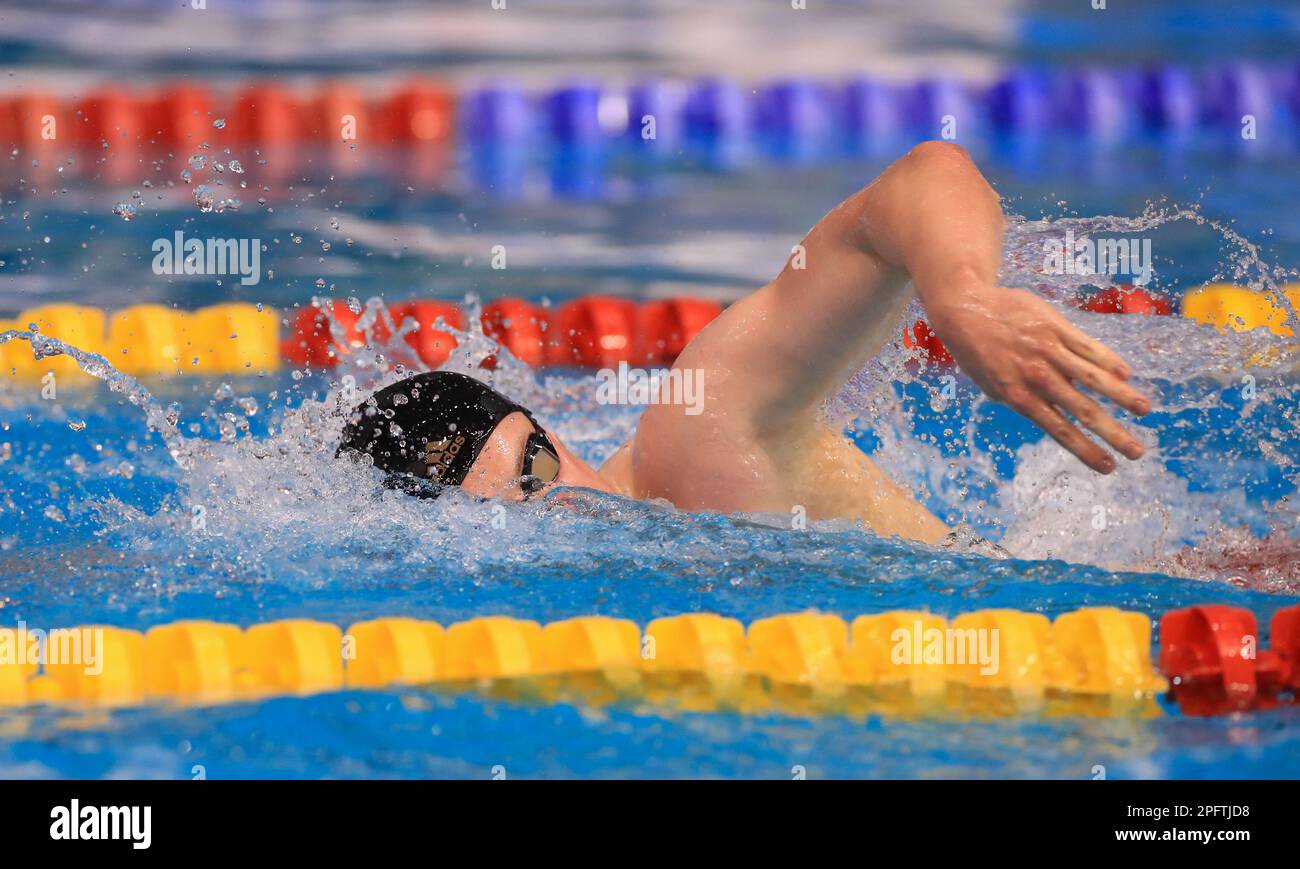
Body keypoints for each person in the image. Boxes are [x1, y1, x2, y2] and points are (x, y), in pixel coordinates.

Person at [338, 141, 1150, 544]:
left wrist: (963, 296)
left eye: (538, 468)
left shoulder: (697, 438)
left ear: (550, 429)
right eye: (512, 518)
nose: (564, 507)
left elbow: (920, 180)